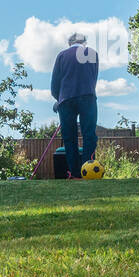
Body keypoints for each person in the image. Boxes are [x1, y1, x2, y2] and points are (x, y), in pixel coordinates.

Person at [50, 32, 98, 178]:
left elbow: (54, 83)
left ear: (70, 43)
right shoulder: (92, 53)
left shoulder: (62, 55)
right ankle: (88, 171)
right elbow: (93, 78)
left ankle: (75, 173)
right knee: (89, 135)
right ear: (84, 42)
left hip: (66, 100)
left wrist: (58, 99)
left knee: (70, 138)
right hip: (87, 97)